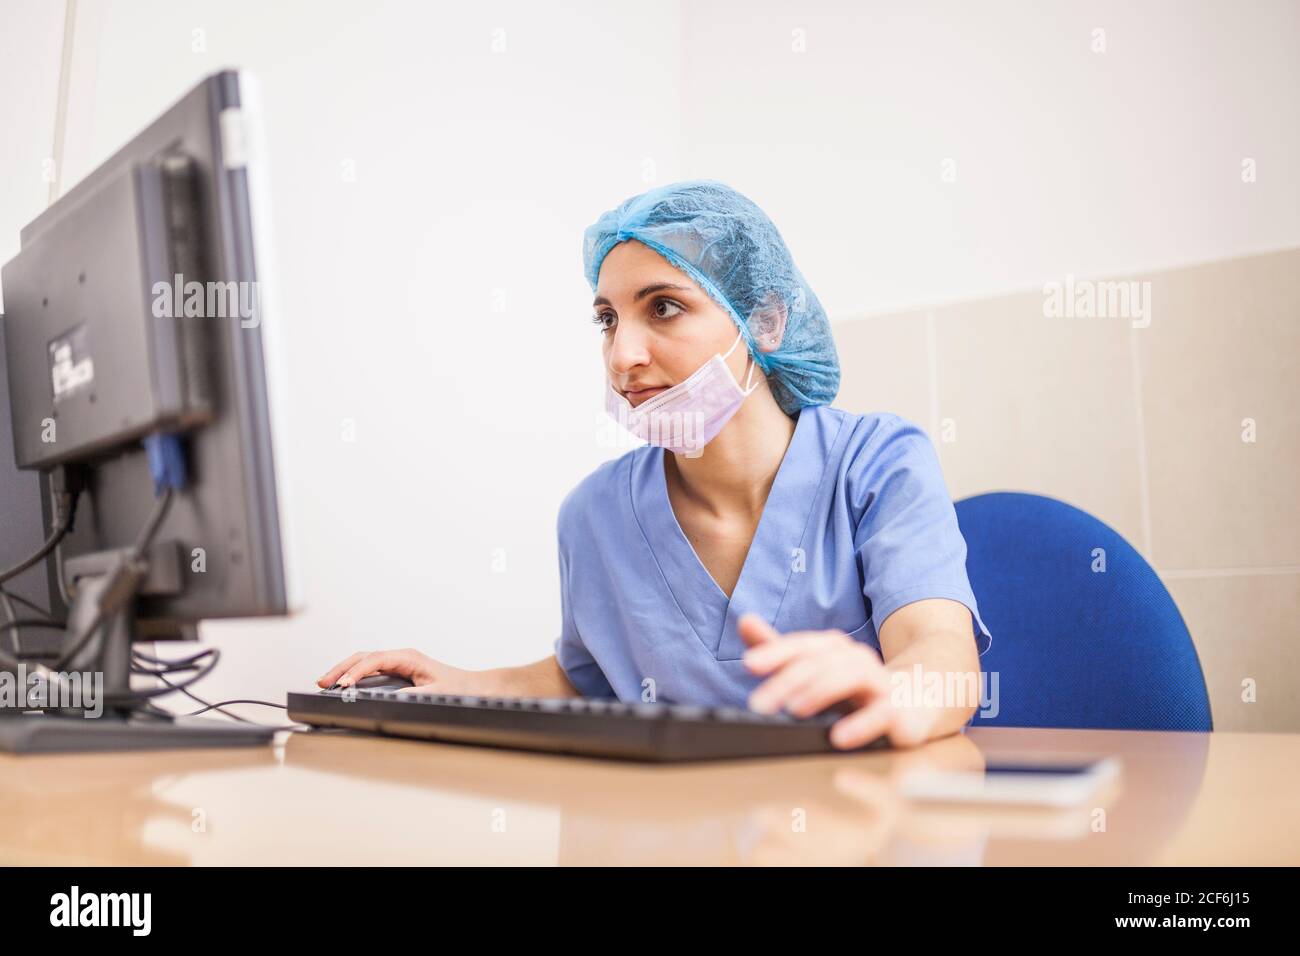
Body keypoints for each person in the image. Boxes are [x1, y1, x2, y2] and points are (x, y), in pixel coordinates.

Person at [317, 180, 992, 748]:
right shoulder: (596, 514)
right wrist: (460, 684)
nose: (622, 357)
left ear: (766, 323)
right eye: (607, 319)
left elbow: (943, 658)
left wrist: (900, 690)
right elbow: (585, 679)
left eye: (663, 307)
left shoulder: (877, 467)